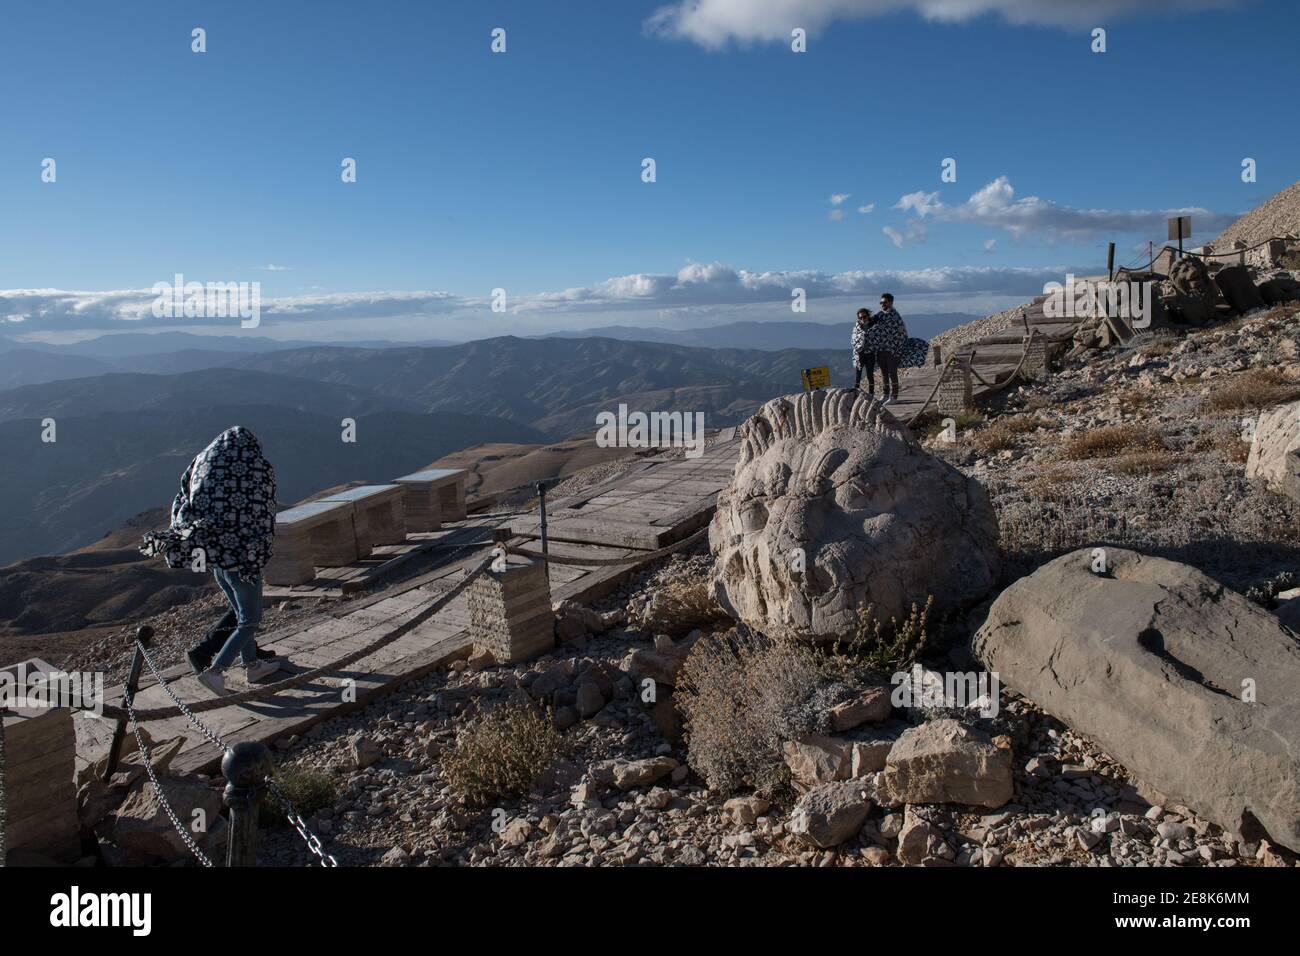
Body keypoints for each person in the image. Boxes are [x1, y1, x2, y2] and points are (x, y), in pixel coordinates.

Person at [141, 426, 284, 696]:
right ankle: (216, 671)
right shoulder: (255, 467)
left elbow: (184, 497)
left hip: (219, 559)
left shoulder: (205, 465)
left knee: (241, 616)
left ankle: (252, 665)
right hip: (243, 560)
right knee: (249, 621)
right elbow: (263, 508)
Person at [869, 292, 908, 404]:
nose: (882, 304)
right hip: (881, 349)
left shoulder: (896, 316)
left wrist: (898, 348)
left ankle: (894, 396)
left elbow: (902, 333)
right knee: (884, 373)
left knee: (892, 372)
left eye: (884, 302)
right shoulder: (879, 315)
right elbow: (870, 324)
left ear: (890, 302)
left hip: (892, 350)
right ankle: (885, 394)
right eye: (881, 302)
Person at [851, 308, 877, 392]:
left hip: (870, 354)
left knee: (870, 375)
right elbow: (853, 340)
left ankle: (871, 394)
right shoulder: (856, 327)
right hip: (859, 354)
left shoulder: (874, 326)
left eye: (864, 317)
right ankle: (856, 393)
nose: (862, 319)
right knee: (858, 375)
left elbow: (877, 339)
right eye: (860, 318)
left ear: (868, 316)